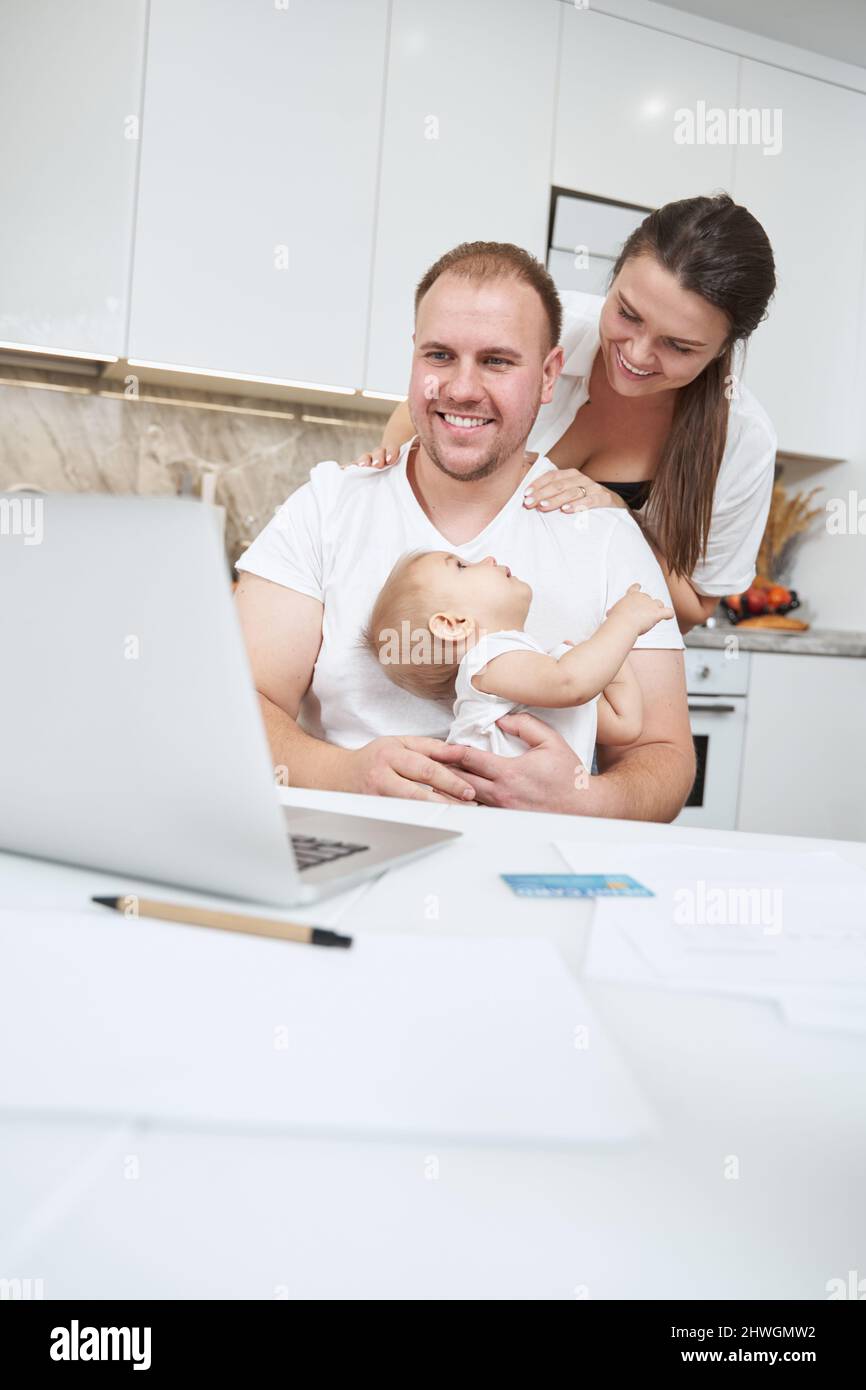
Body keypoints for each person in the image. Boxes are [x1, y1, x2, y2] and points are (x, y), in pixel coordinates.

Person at [234, 241, 694, 819]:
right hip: (350, 851)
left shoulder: (603, 535)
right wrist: (346, 773)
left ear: (549, 375)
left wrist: (585, 798)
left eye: (497, 361)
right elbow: (238, 703)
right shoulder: (327, 507)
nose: (462, 389)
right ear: (414, 357)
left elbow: (665, 757)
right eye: (440, 356)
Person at [354, 194, 777, 634]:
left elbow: (694, 610)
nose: (637, 354)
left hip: (589, 671)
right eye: (627, 314)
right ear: (612, 280)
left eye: (678, 345)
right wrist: (384, 474)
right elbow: (429, 405)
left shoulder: (743, 439)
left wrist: (618, 516)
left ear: (724, 348)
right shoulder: (543, 328)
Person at [363, 550, 673, 761]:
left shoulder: (534, 677)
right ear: (453, 624)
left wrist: (609, 648)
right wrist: (625, 621)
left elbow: (624, 725)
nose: (488, 557)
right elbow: (571, 684)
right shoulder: (486, 660)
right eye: (462, 566)